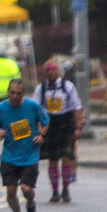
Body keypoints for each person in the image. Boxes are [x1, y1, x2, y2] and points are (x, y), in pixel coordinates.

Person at [0, 78, 50, 212]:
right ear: (8, 92)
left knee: (26, 189)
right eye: (12, 92)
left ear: (23, 93)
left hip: (29, 155)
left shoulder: (33, 106)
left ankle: (30, 204)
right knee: (11, 191)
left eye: (18, 93)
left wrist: (41, 135)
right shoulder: (0, 109)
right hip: (9, 156)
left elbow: (45, 121)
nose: (15, 96)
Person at [33, 61, 84, 203]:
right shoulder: (41, 88)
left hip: (65, 123)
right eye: (48, 70)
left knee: (66, 156)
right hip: (49, 124)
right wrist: (38, 128)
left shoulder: (68, 86)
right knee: (53, 158)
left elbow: (76, 107)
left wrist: (77, 127)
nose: (51, 72)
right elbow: (36, 108)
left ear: (58, 71)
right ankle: (55, 191)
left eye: (53, 70)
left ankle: (66, 189)